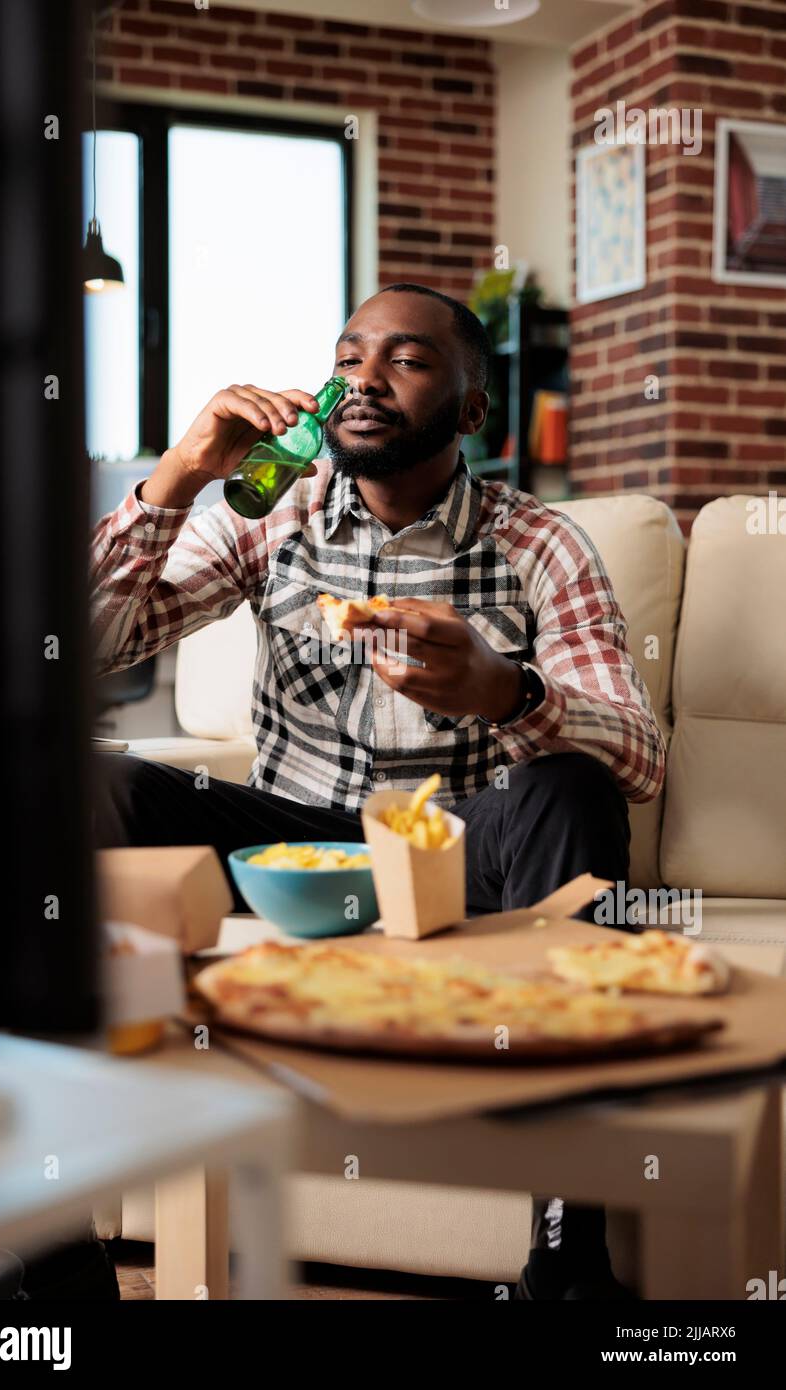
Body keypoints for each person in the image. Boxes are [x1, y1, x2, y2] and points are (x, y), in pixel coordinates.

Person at [91, 283, 665, 1300]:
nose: (362, 380)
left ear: (471, 410)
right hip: (293, 852)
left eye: (403, 361)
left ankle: (565, 1250)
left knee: (568, 787)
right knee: (94, 787)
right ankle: (53, 1242)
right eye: (349, 357)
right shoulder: (271, 518)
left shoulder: (537, 543)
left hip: (454, 856)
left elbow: (636, 754)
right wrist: (179, 473)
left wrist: (509, 691)